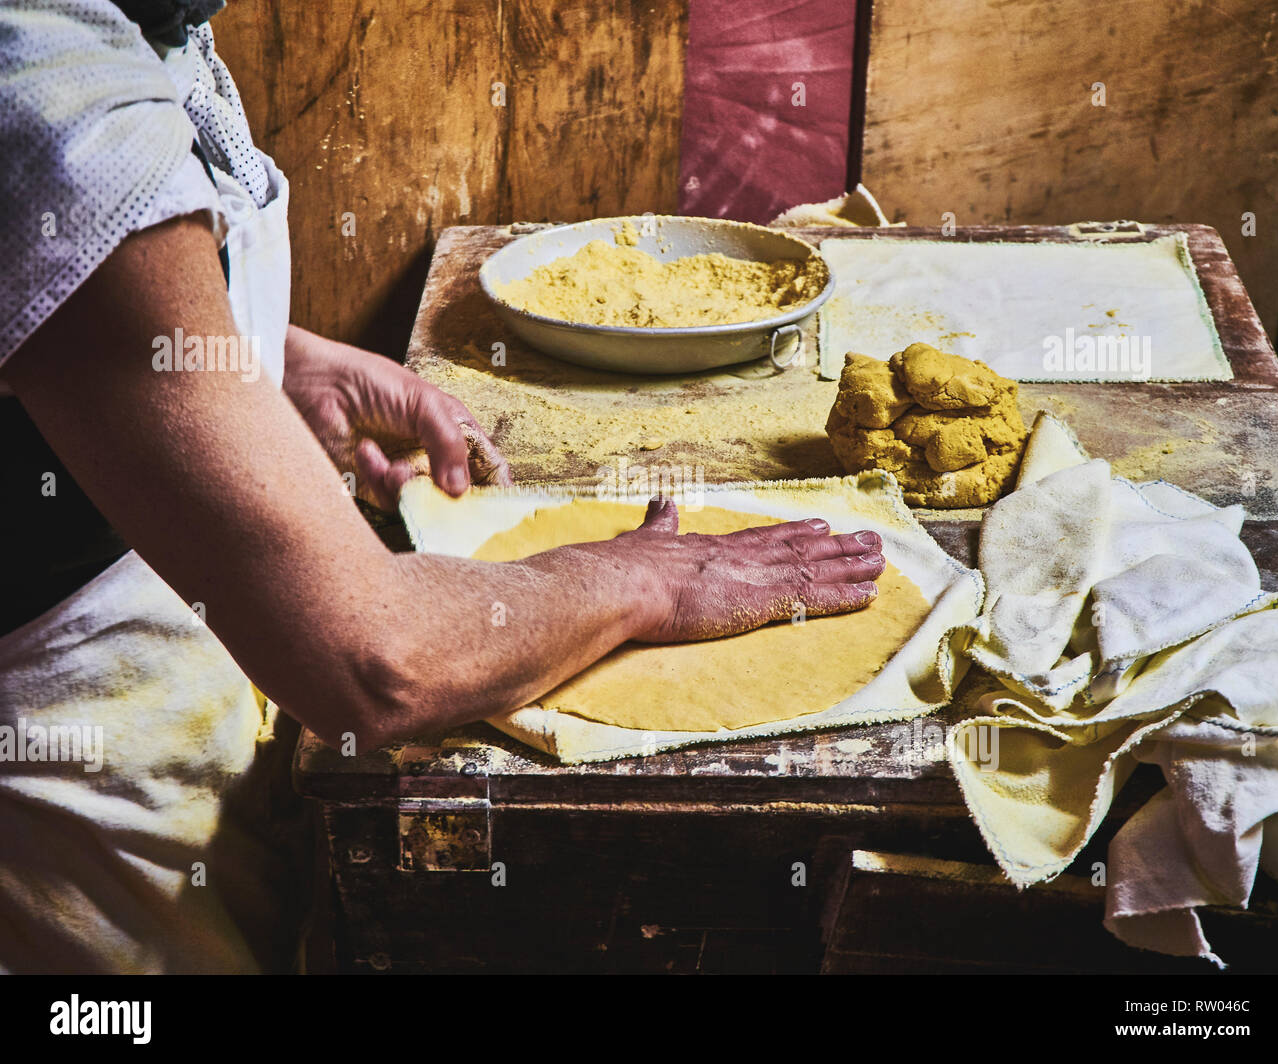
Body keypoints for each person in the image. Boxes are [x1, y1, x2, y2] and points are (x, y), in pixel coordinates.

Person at [0, 0, 886, 972]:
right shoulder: (45, 92)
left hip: (200, 677)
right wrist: (642, 579)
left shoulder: (136, 20)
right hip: (77, 788)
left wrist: (265, 364)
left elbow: (75, 326)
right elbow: (376, 659)